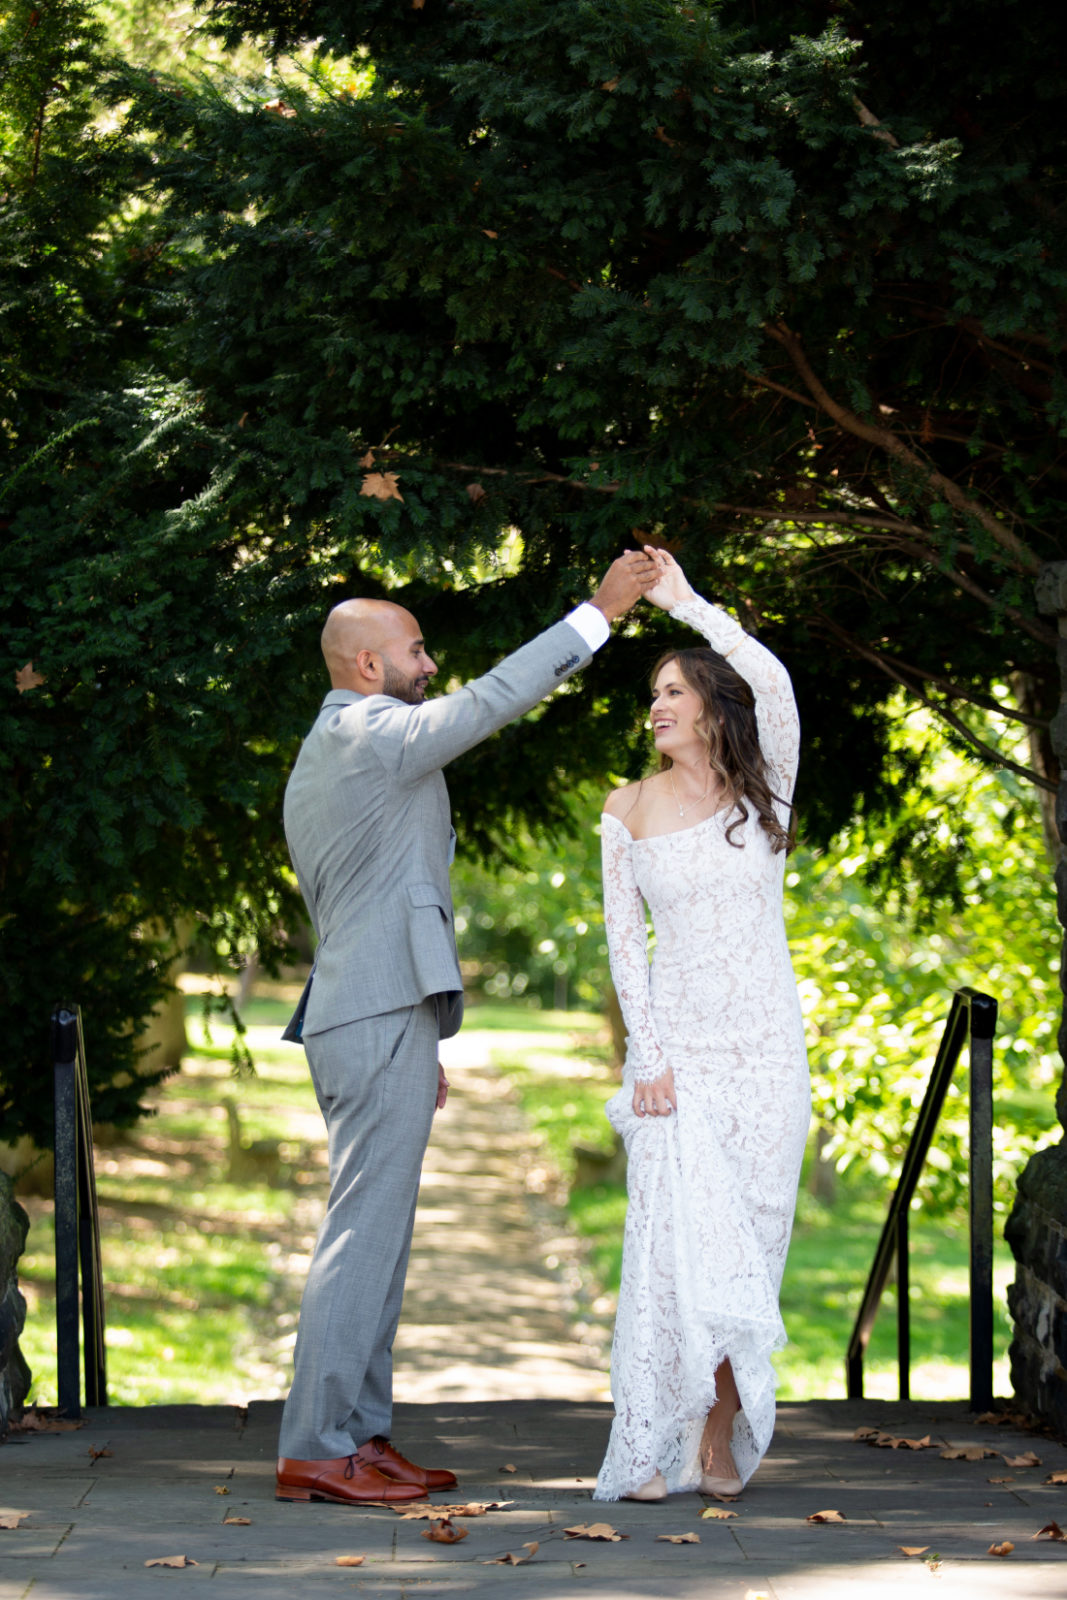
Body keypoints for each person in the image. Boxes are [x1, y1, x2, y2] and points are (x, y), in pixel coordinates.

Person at [275, 551, 657, 1507]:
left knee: (380, 1234)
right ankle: (318, 1445)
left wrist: (418, 1031)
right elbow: (492, 699)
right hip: (369, 1013)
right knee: (363, 1231)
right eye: (413, 649)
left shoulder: (354, 739)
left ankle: (359, 1437)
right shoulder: (370, 731)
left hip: (379, 1011)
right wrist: (598, 615)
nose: (428, 662)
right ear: (367, 665)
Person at [593, 547, 811, 1503]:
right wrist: (648, 1056)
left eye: (675, 688)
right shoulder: (625, 809)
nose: (658, 704)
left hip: (768, 1054)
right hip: (677, 1061)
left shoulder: (766, 792)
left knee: (747, 1251)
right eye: (654, 692)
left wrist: (685, 604)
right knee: (671, 1248)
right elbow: (625, 949)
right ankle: (655, 1440)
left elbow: (772, 677)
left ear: (713, 707)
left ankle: (719, 1433)